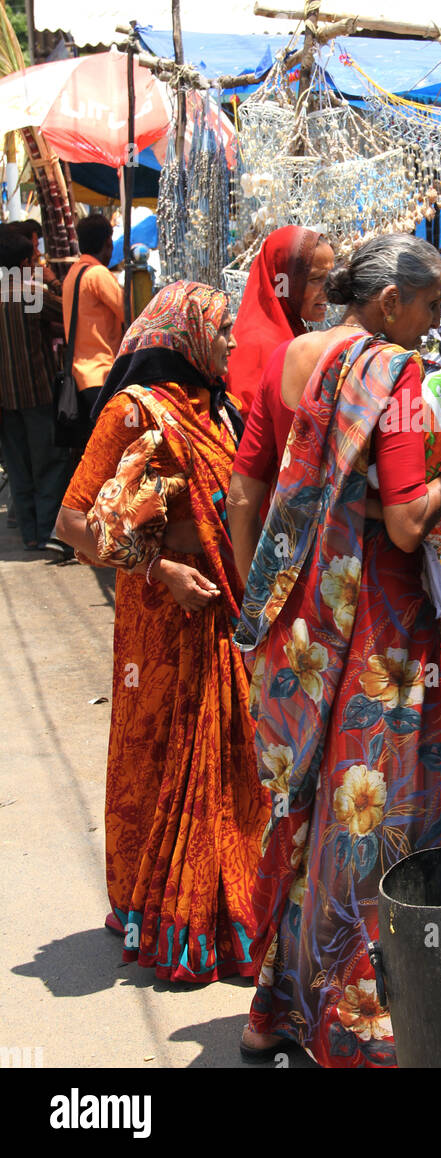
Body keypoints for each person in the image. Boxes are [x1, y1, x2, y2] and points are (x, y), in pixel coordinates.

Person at [232, 234, 441, 1067]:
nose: (434, 322)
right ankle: (354, 1016)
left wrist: (266, 604)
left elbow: (246, 487)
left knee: (312, 808)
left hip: (309, 627)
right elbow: (408, 520)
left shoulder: (291, 357)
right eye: (430, 305)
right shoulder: (393, 376)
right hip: (380, 632)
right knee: (372, 809)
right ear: (388, 304)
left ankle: (274, 1009)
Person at [54, 282, 270, 983]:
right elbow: (74, 523)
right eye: (222, 332)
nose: (234, 344)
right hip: (163, 618)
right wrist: (162, 571)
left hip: (224, 610)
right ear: (189, 339)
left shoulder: (220, 409)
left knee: (232, 760)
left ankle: (227, 907)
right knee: (163, 753)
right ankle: (168, 912)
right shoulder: (132, 410)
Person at [0, 225, 69, 551]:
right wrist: (52, 279)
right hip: (38, 395)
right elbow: (68, 310)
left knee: (18, 466)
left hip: (5, 399)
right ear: (27, 261)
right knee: (49, 464)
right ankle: (46, 532)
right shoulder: (29, 294)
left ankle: (29, 532)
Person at [226, 224, 333, 417]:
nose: (328, 290)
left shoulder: (291, 329)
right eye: (316, 279)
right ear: (281, 280)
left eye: (330, 277)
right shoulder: (258, 345)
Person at [61, 213, 125, 439]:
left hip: (81, 375)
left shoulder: (74, 273)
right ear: (108, 242)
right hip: (101, 373)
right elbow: (130, 312)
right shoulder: (98, 274)